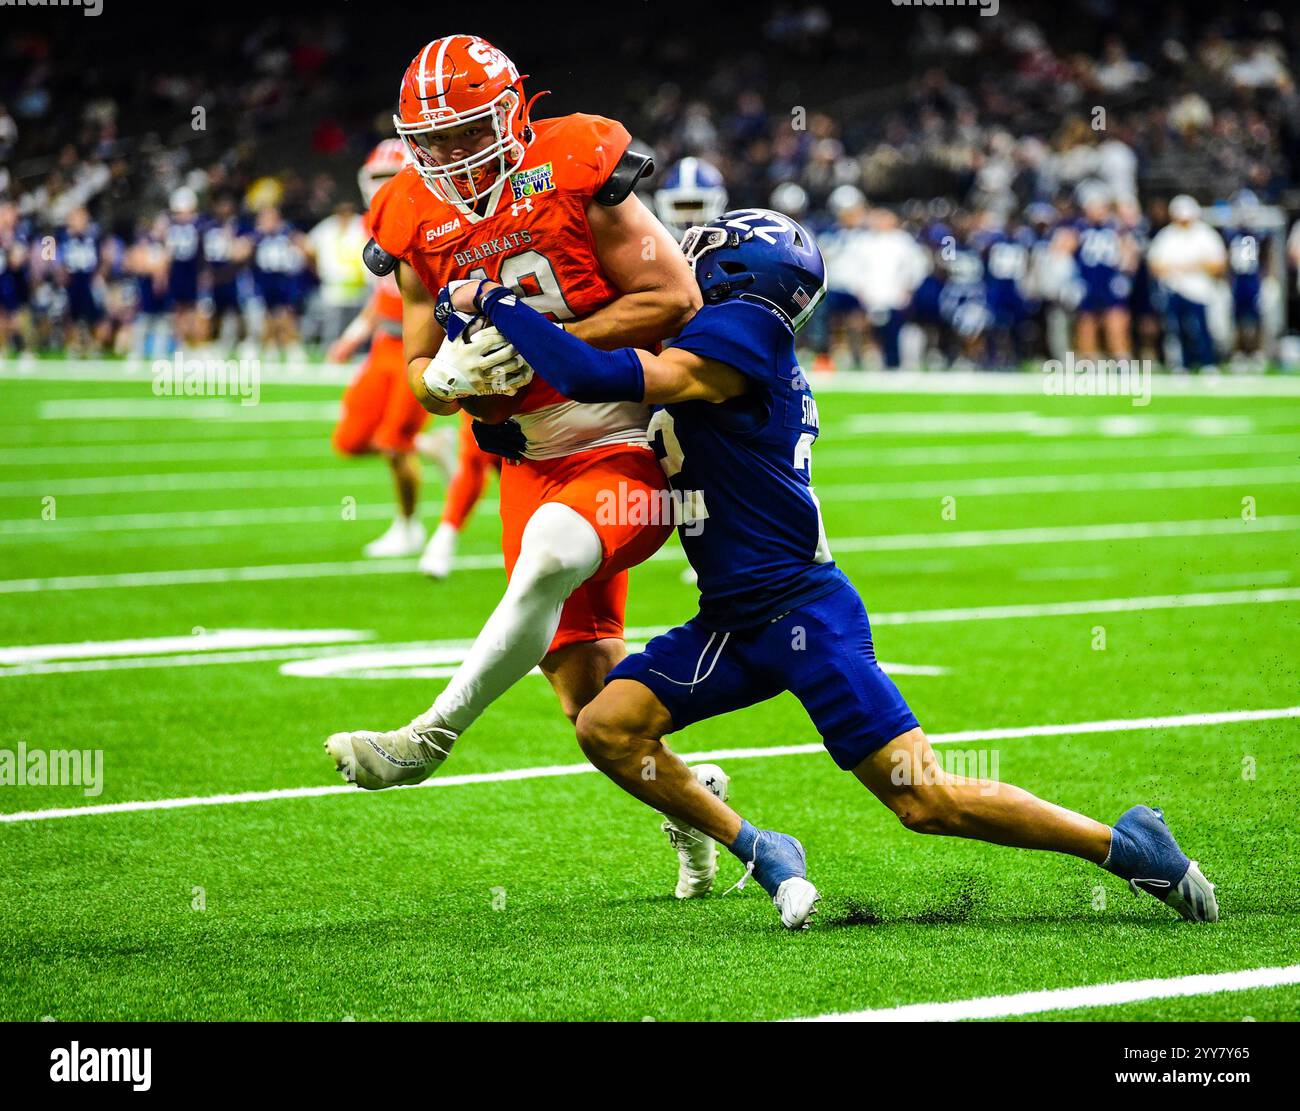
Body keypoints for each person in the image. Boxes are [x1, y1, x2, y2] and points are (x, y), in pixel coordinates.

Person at [438, 207, 1221, 932]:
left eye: (703, 252)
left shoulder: (742, 333)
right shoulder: (718, 340)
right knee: (607, 727)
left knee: (924, 799)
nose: (683, 263)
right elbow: (597, 399)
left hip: (803, 612)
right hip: (733, 618)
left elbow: (595, 374)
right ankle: (762, 848)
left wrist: (498, 302)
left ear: (737, 272)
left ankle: (1125, 845)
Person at [324, 35, 701, 893]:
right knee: (592, 707)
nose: (453, 152)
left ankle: (428, 737)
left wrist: (545, 344)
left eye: (467, 130)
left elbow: (672, 296)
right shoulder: (409, 211)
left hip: (624, 436)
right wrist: (441, 382)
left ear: (511, 112)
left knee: (548, 560)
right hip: (529, 459)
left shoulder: (574, 164)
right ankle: (698, 812)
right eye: (435, 137)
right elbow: (419, 368)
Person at [329, 140, 434, 559]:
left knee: (393, 442)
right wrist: (353, 335)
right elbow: (383, 294)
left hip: (419, 345)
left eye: (391, 176)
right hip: (383, 345)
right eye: (377, 177)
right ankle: (430, 447)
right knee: (350, 438)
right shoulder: (368, 224)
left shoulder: (429, 222)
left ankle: (409, 527)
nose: (382, 186)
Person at [1148, 194, 1226, 372]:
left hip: (1200, 291)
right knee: (1176, 329)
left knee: (1203, 329)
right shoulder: (1166, 236)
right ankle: (1181, 364)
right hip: (1174, 290)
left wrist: (1191, 266)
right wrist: (1184, 267)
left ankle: (1208, 362)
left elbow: (1219, 264)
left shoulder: (1206, 235)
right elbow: (1155, 265)